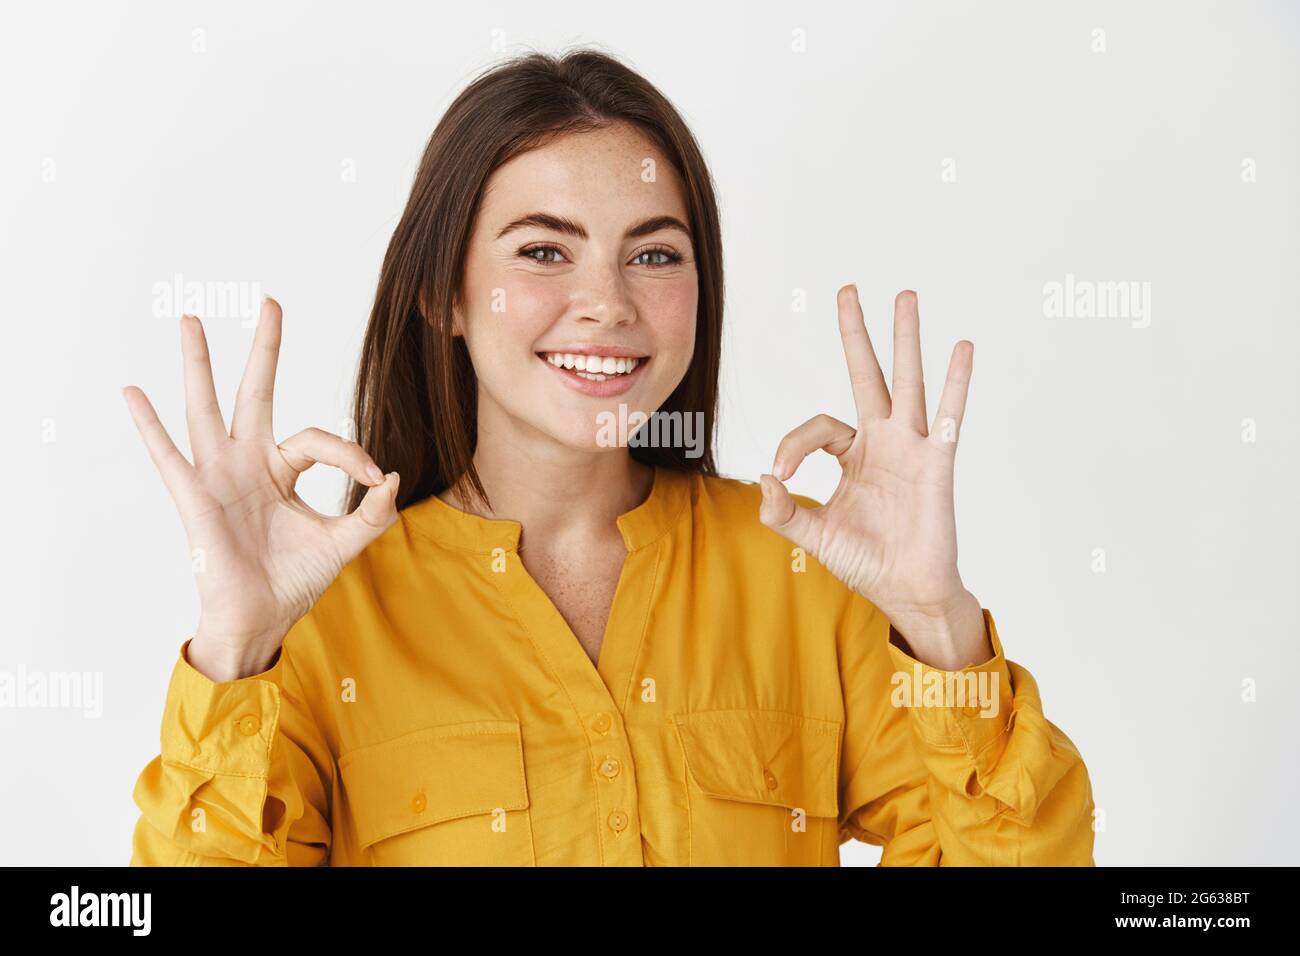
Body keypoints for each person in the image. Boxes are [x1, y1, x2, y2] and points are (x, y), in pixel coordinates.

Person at [124, 48, 1094, 866]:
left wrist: (939, 626)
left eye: (655, 253)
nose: (608, 302)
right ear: (443, 296)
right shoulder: (327, 616)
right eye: (544, 252)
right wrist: (236, 648)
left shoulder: (804, 578)